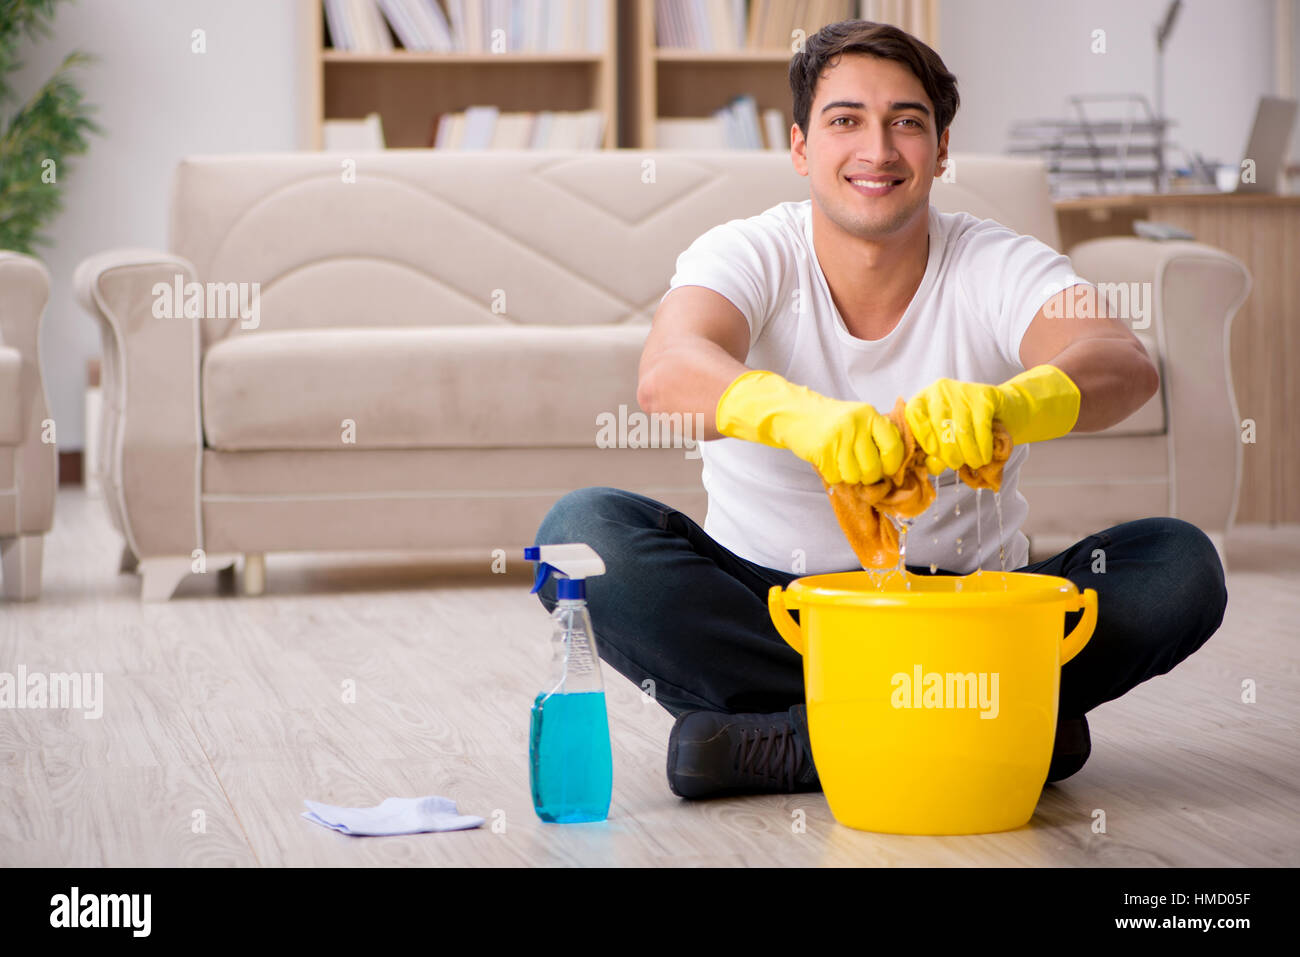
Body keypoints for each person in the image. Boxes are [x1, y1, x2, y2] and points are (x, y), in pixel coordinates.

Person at [532, 20, 1228, 799]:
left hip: (967, 618)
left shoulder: (994, 260)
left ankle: (793, 741)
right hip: (778, 613)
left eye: (907, 122)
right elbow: (667, 372)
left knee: (1180, 564)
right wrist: (798, 416)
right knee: (579, 533)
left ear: (941, 147)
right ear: (800, 147)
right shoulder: (749, 251)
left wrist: (1011, 405)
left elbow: (1124, 364)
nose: (878, 150)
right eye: (845, 121)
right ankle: (987, 726)